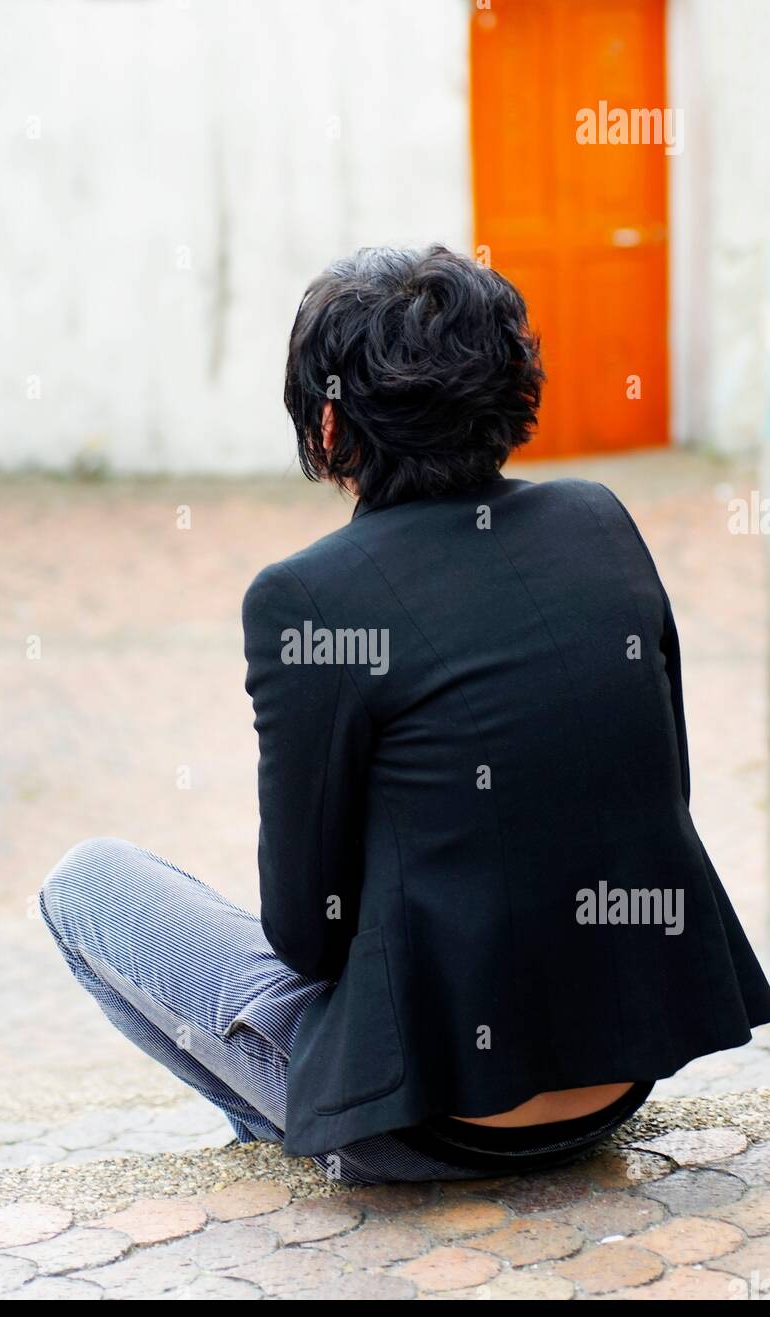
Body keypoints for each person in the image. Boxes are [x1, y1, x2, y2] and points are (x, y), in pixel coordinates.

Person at [40, 245, 770, 1184]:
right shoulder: (599, 520)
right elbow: (656, 789)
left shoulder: (307, 597)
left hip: (442, 1125)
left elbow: (305, 934)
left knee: (88, 881)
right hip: (619, 1081)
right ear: (512, 387)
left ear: (332, 422)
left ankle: (305, 1138)